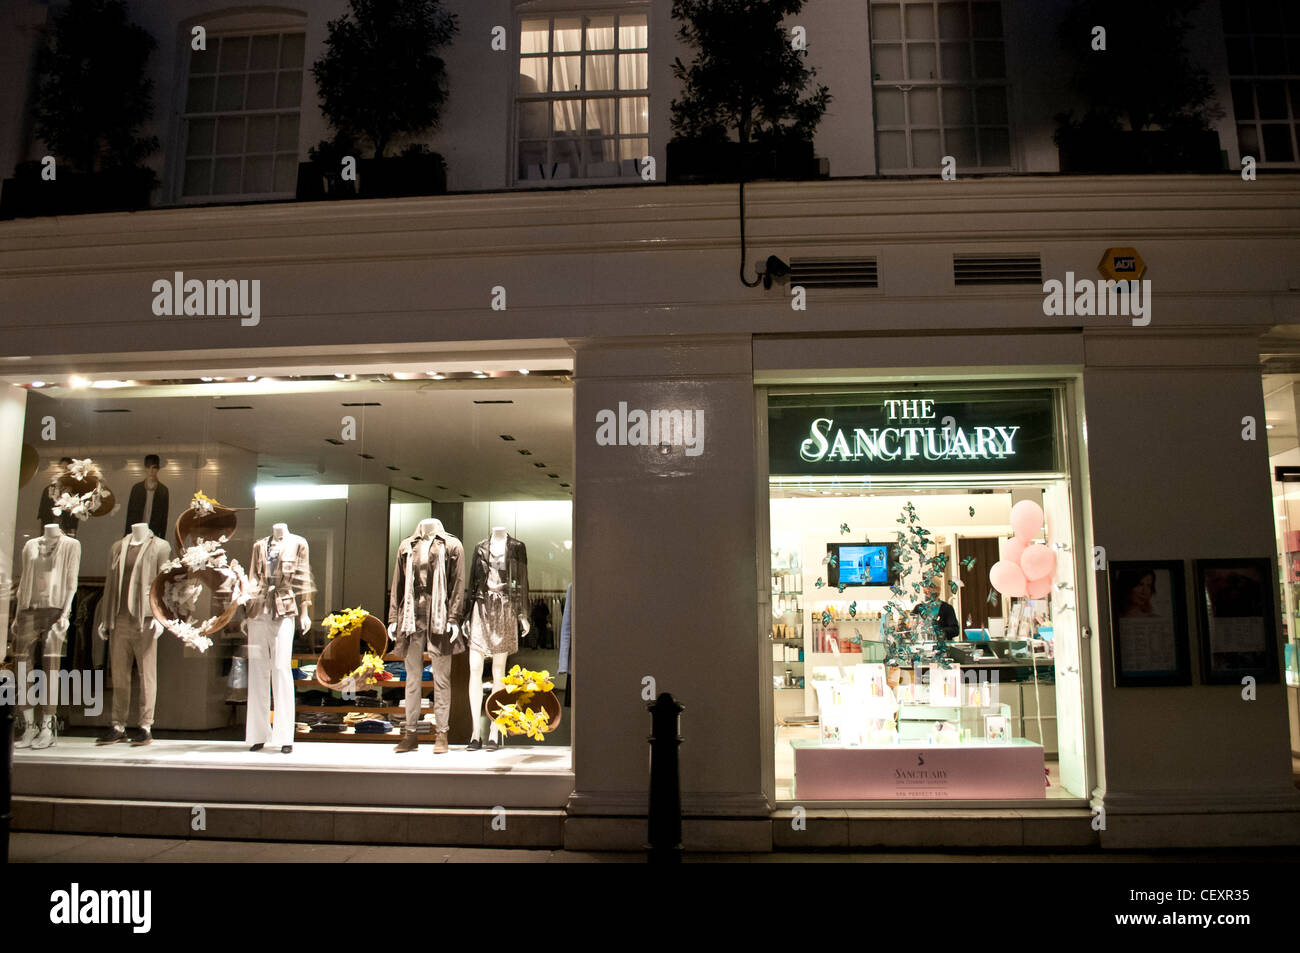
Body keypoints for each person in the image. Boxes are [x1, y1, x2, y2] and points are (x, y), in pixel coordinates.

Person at [125, 454, 169, 540]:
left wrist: (162, 537)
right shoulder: (137, 488)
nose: (151, 471)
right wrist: (127, 535)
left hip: (154, 532)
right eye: (148, 467)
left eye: (154, 468)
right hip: (136, 531)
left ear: (158, 469)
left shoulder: (163, 490)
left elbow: (164, 517)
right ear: (145, 468)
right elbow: (130, 513)